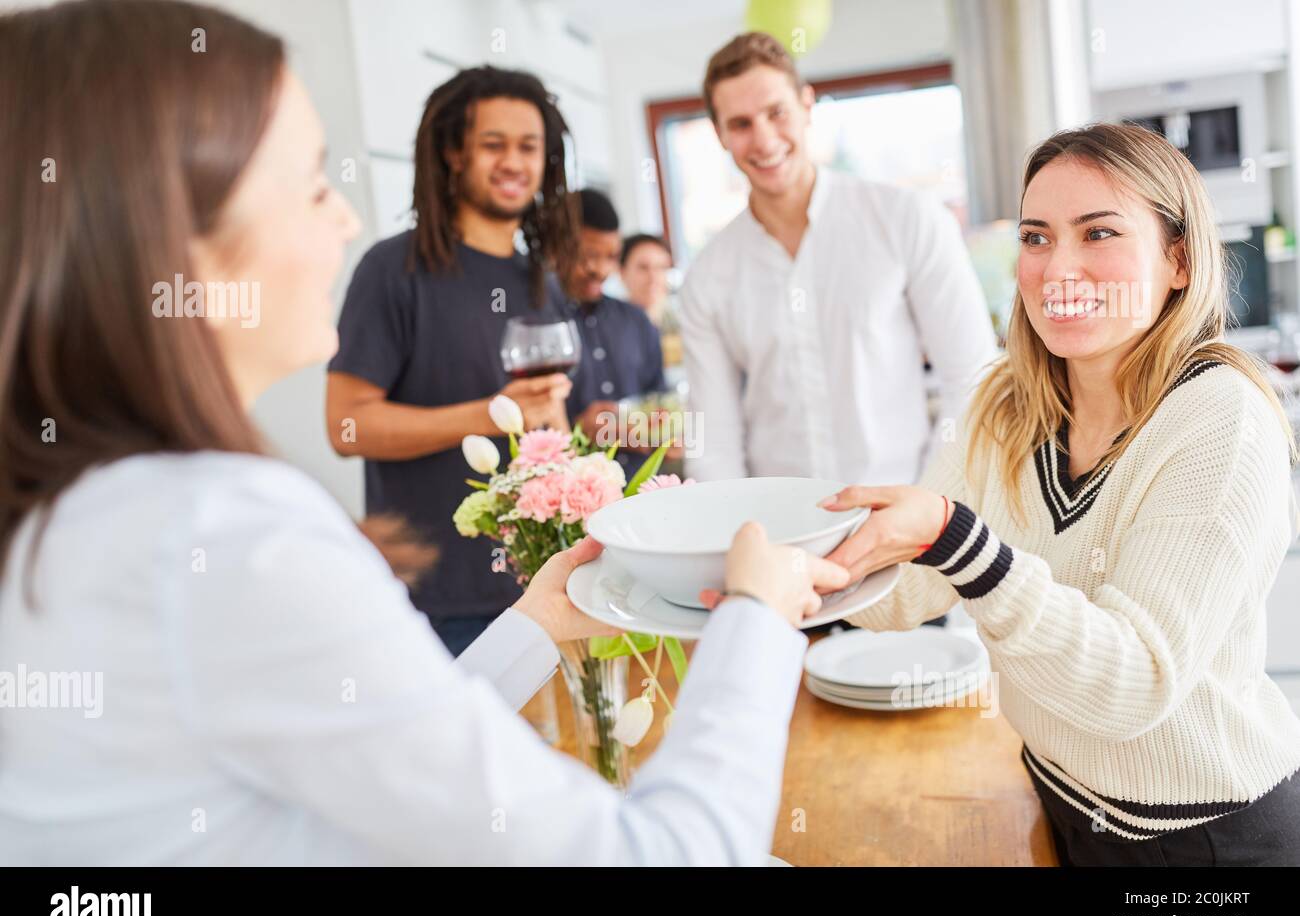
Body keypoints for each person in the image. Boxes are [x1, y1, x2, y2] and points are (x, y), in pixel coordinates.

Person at [0, 0, 850, 867]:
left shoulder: (99, 512)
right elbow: (665, 855)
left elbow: (369, 755)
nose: (340, 219)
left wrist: (534, 622)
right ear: (166, 228)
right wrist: (758, 614)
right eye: (311, 184)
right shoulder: (222, 535)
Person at [719, 123, 1300, 865]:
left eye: (1098, 234)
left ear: (1179, 259)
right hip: (1059, 800)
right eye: (1036, 237)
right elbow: (908, 589)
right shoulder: (1010, 401)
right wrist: (761, 573)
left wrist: (963, 545)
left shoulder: (1221, 418)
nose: (1058, 267)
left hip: (1204, 840)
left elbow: (1134, 684)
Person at [325, 65, 575, 656]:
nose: (514, 162)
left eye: (528, 146)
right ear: (453, 154)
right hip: (435, 604)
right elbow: (345, 425)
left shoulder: (542, 281)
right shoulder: (393, 270)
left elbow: (551, 425)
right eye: (494, 144)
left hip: (542, 591)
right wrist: (490, 415)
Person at [681, 32, 997, 486]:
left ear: (807, 105)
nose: (765, 139)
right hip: (778, 534)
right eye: (741, 123)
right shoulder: (708, 277)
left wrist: (927, 507)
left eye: (776, 112)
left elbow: (972, 382)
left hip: (909, 522)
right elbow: (714, 441)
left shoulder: (907, 219)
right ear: (720, 134)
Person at [560, 190, 670, 468]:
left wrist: (664, 430)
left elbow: (658, 400)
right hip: (566, 492)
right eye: (588, 255)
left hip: (640, 485)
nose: (601, 269)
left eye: (611, 257)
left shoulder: (637, 322)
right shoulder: (539, 322)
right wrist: (577, 428)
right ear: (557, 244)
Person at [620, 233, 686, 387]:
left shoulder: (687, 320)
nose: (653, 277)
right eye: (643, 268)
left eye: (661, 268)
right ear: (622, 272)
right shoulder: (610, 330)